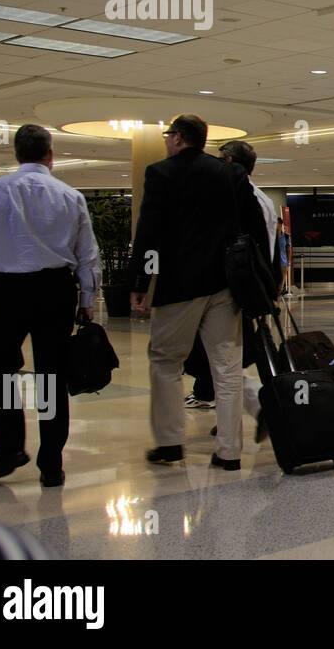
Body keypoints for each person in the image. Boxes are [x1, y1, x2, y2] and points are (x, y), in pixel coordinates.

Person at [0, 124, 100, 487]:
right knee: (51, 375)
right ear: (50, 155)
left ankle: (10, 448)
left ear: (17, 154)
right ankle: (51, 461)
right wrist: (87, 299)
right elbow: (88, 255)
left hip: (10, 291)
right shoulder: (71, 196)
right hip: (56, 290)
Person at [131, 114, 268, 471]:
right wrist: (262, 279)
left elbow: (148, 234)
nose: (165, 140)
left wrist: (140, 284)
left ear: (178, 138)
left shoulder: (160, 174)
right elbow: (256, 230)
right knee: (226, 366)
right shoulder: (230, 173)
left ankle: (171, 443)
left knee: (165, 361)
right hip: (225, 284)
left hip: (179, 285)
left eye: (167, 135)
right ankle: (229, 451)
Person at [188, 139, 277, 443]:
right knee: (227, 353)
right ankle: (231, 414)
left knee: (220, 355)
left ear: (227, 162)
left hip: (233, 289)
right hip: (251, 288)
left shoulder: (238, 196)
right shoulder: (263, 199)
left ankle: (256, 404)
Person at [276, 218, 290, 294]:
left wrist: (289, 262)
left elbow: (288, 250)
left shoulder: (286, 236)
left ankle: (280, 294)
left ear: (281, 225)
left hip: (283, 263)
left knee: (280, 285)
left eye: (277, 223)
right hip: (274, 263)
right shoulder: (272, 236)